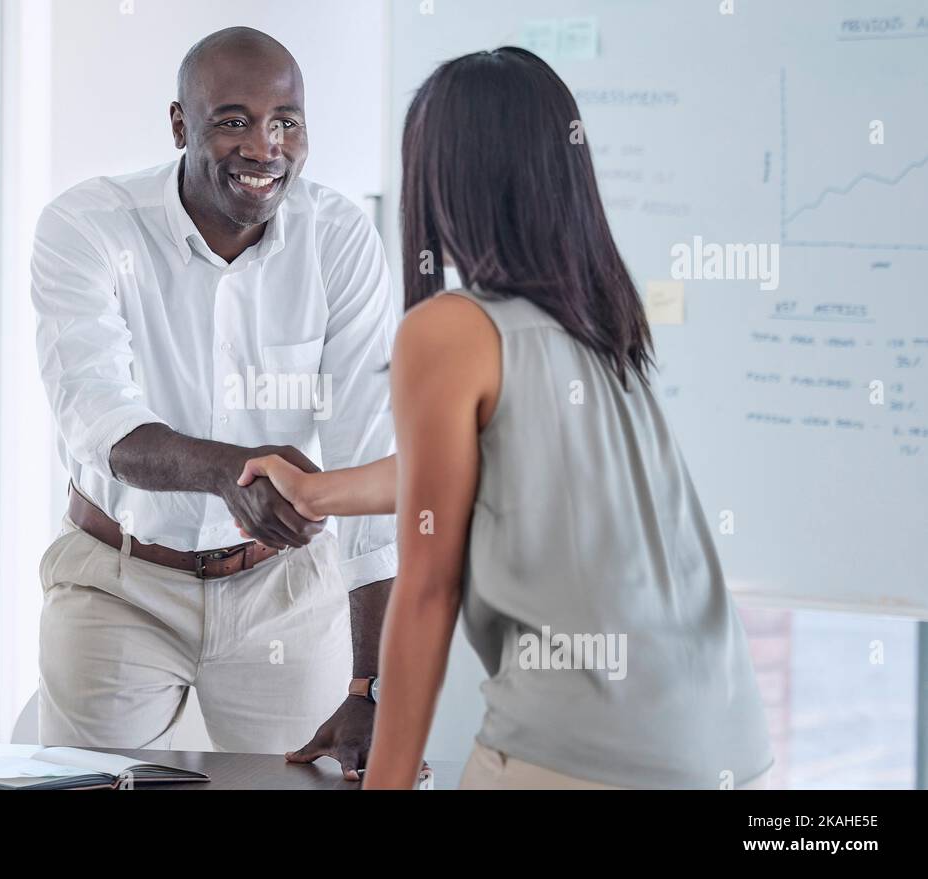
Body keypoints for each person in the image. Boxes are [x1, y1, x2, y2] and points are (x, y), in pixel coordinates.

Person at [239, 47, 774, 789]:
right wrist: (318, 492)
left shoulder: (449, 330)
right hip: (731, 748)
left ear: (443, 177)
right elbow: (460, 465)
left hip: (578, 754)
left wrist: (386, 780)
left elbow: (429, 590)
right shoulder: (598, 322)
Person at [30, 27, 397, 776]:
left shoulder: (339, 239)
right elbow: (105, 426)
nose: (265, 147)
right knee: (87, 784)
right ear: (179, 126)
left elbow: (371, 464)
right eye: (233, 120)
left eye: (286, 121)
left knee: (298, 784)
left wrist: (371, 683)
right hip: (117, 579)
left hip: (282, 590)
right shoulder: (86, 226)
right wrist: (234, 470)